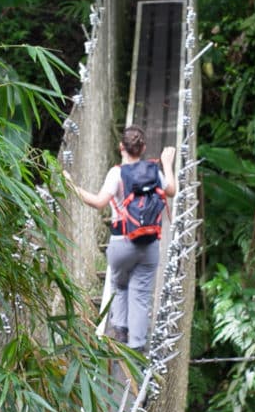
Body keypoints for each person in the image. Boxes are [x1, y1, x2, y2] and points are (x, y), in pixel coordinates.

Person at [64, 126, 177, 350]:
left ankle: (120, 331)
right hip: (150, 244)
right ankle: (137, 347)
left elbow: (98, 202)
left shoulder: (116, 174)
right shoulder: (154, 170)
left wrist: (70, 185)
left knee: (119, 284)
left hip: (121, 243)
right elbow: (171, 190)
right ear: (143, 148)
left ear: (121, 148)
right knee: (141, 294)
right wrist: (167, 163)